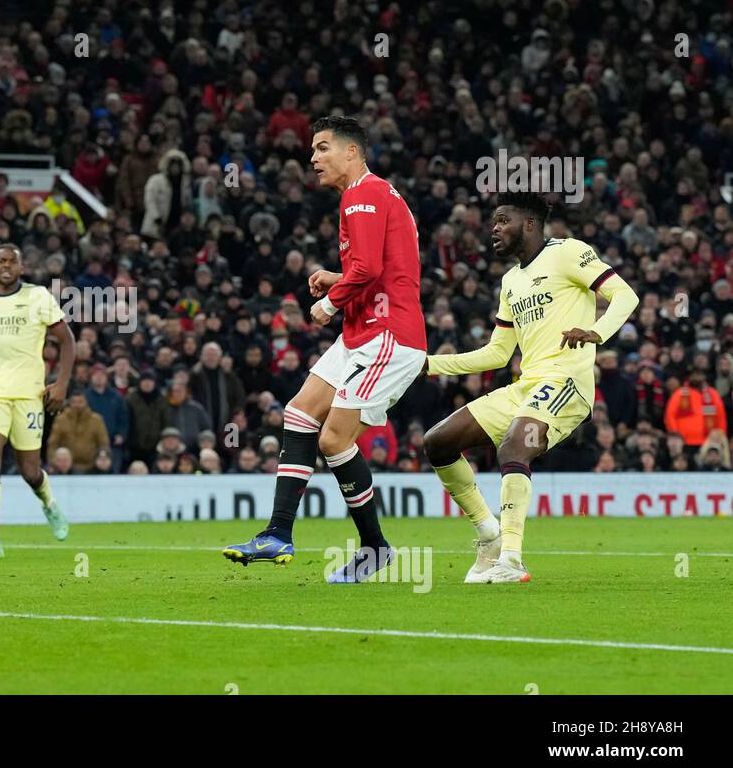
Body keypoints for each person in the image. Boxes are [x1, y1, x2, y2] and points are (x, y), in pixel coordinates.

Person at [223, 116, 427, 583]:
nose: (313, 158)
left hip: (387, 335)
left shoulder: (363, 195)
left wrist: (331, 303)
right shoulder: (371, 195)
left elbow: (372, 269)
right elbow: (385, 267)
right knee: (298, 413)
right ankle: (277, 533)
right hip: (363, 331)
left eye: (322, 148)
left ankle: (375, 548)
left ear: (351, 152)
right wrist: (339, 279)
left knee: (334, 439)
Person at [421, 193, 639, 582]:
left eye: (503, 220)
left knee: (515, 445)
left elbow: (625, 295)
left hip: (567, 381)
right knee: (438, 441)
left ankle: (512, 559)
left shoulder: (569, 252)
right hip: (527, 385)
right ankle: (488, 535)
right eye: (493, 222)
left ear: (530, 223)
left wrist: (596, 332)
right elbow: (496, 354)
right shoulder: (510, 281)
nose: (494, 229)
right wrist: (429, 365)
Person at [0, 244, 76, 558]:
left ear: (21, 268)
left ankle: (49, 503)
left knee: (30, 471)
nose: (6, 266)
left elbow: (67, 340)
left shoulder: (38, 297)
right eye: (1, 261)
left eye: (12, 262)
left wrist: (60, 385)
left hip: (27, 394)